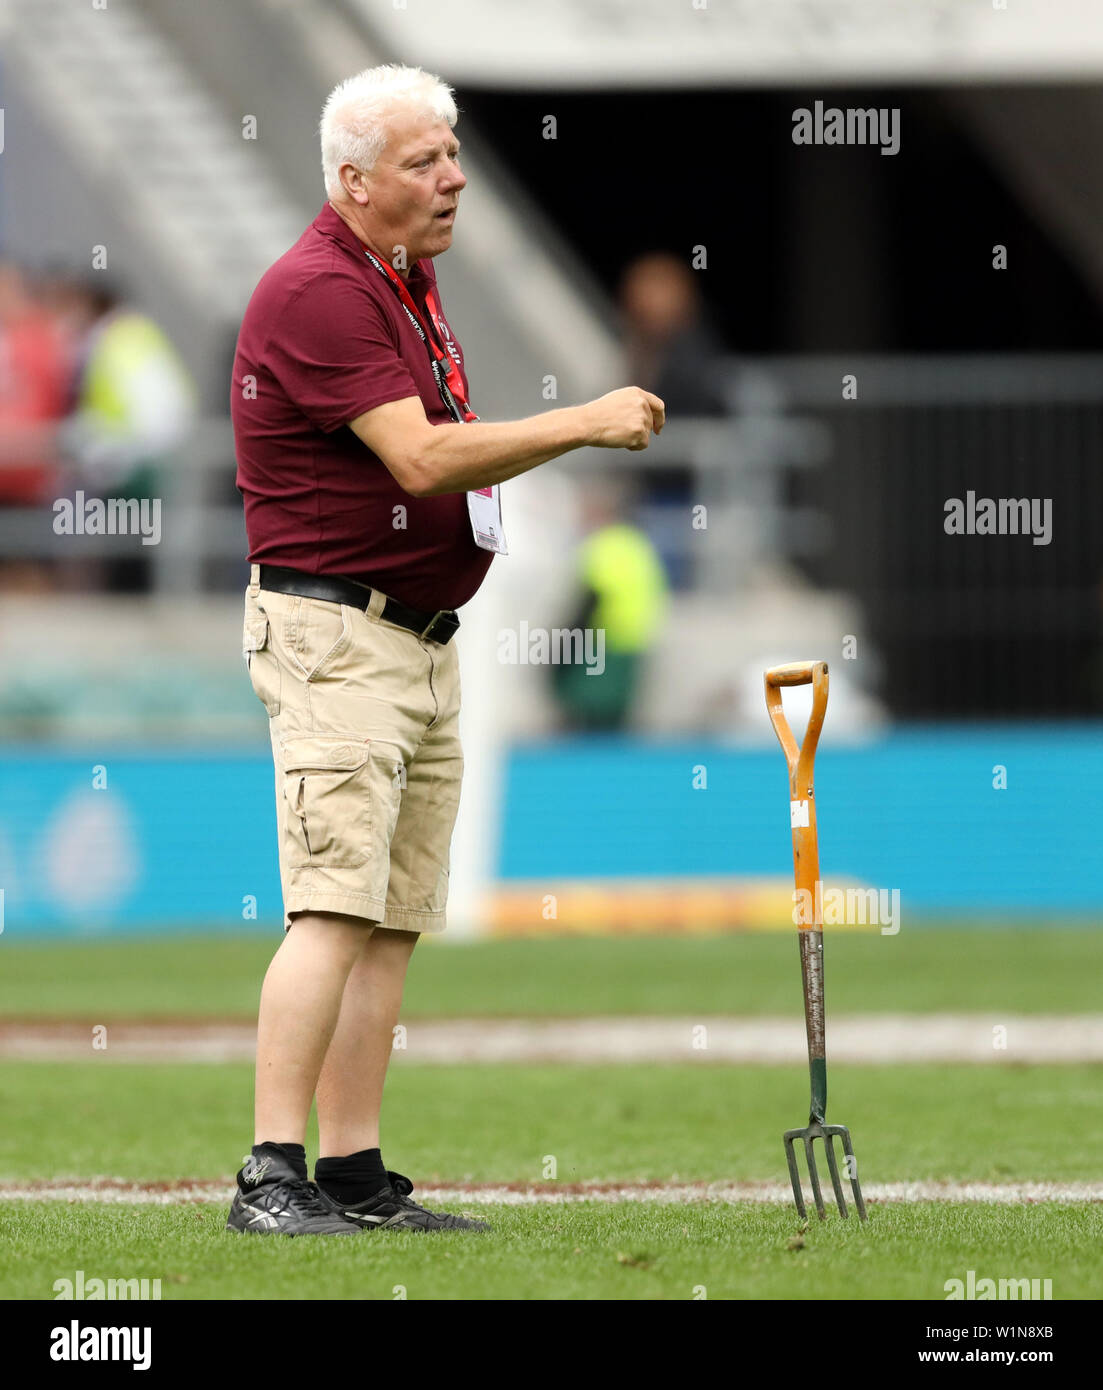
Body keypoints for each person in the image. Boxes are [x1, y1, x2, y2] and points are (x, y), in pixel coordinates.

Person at [229, 63, 665, 1235]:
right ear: (352, 180)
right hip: (338, 632)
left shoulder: (401, 279)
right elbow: (420, 460)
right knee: (330, 907)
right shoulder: (321, 288)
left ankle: (356, 1176)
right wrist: (582, 419)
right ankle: (269, 1174)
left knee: (389, 918)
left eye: (453, 155)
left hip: (414, 637)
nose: (453, 178)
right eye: (425, 161)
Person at [551, 475, 669, 731]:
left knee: (586, 721)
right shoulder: (639, 545)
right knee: (615, 726)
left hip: (602, 646)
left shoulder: (601, 546)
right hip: (634, 645)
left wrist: (561, 652)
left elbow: (588, 602)